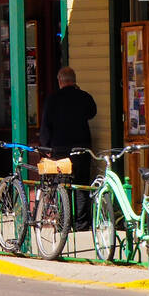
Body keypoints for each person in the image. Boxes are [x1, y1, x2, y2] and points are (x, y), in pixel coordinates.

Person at [39, 66, 97, 229]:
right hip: (82, 148)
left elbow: (45, 127)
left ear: (59, 81)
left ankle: (64, 223)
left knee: (62, 186)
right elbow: (92, 112)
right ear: (74, 80)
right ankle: (82, 224)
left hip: (60, 150)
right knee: (81, 185)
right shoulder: (84, 97)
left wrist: (46, 147)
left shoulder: (52, 99)